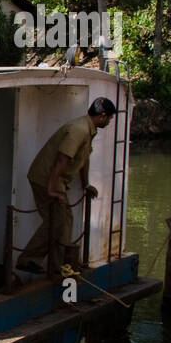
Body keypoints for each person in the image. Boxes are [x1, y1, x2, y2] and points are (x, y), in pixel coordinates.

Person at [16, 97, 117, 277]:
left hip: (55, 179)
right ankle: (29, 260)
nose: (109, 122)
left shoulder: (88, 129)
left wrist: (85, 184)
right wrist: (53, 188)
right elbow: (62, 159)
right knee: (58, 221)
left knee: (63, 221)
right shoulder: (79, 130)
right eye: (109, 118)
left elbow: (83, 159)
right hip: (45, 178)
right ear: (102, 116)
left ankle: (59, 264)